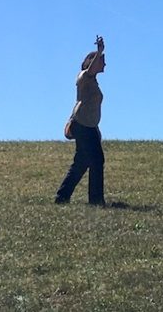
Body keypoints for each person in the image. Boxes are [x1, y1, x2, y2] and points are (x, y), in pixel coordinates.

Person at [56, 35, 106, 205]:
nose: (104, 63)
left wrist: (96, 129)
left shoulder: (94, 83)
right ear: (91, 62)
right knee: (97, 160)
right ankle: (96, 200)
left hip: (88, 126)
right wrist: (99, 51)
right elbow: (90, 71)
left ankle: (62, 197)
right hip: (83, 125)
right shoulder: (84, 77)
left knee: (82, 162)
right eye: (101, 60)